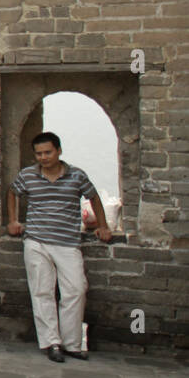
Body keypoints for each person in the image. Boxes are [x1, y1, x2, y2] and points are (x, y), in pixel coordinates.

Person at [8, 132, 112, 363]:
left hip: (67, 242)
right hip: (36, 240)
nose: (43, 157)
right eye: (39, 153)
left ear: (59, 151)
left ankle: (72, 343)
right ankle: (51, 342)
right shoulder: (28, 175)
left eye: (48, 152)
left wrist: (103, 226)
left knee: (75, 289)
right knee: (42, 291)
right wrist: (13, 220)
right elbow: (13, 191)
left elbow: (93, 197)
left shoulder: (76, 175)